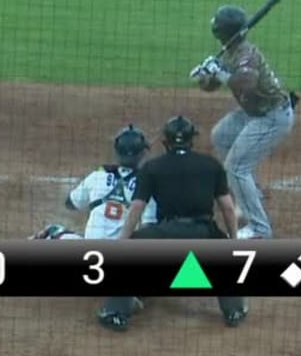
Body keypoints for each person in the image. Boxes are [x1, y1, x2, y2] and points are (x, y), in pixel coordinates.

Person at [96, 115, 248, 332]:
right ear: (191, 140)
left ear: (165, 141)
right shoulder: (211, 164)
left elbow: (137, 208)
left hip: (164, 234)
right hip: (203, 233)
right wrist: (233, 241)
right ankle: (233, 310)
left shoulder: (152, 167)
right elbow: (228, 208)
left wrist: (124, 241)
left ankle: (116, 313)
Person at [191, 4, 297, 240]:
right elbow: (212, 87)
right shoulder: (230, 50)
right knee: (221, 136)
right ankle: (250, 192)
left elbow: (245, 82)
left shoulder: (245, 53)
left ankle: (260, 230)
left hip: (272, 116)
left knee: (236, 167)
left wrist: (220, 73)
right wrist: (205, 76)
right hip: (254, 113)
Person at [32, 124, 159, 241]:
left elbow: (71, 203)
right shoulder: (147, 184)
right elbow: (148, 226)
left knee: (52, 231)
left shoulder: (98, 176)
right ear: (142, 154)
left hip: (89, 253)